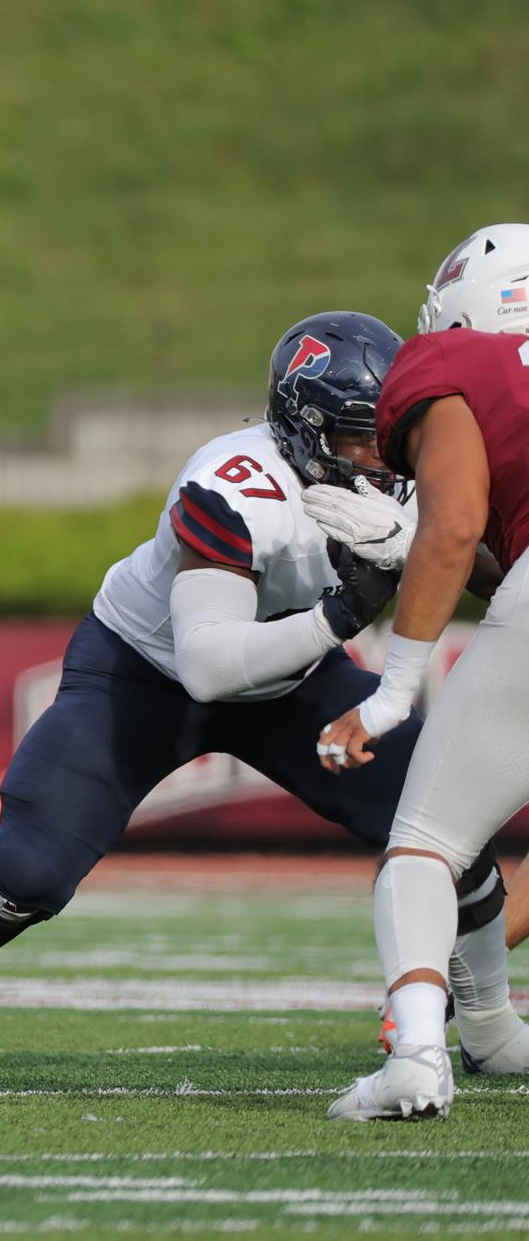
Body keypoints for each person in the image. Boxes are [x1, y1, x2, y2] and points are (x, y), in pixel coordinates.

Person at [0, 311, 529, 1081]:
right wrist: (343, 612)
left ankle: (486, 1024)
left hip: (293, 677)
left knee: (448, 823)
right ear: (304, 430)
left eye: (392, 431)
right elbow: (209, 665)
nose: (385, 456)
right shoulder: (234, 484)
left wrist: (431, 549)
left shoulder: (414, 468)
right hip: (146, 669)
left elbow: (490, 572)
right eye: (359, 437)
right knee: (26, 872)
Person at [323, 225, 529, 1121]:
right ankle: (489, 1029)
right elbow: (500, 558)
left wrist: (393, 688)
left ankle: (415, 1055)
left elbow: (455, 524)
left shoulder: (446, 360)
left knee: (422, 847)